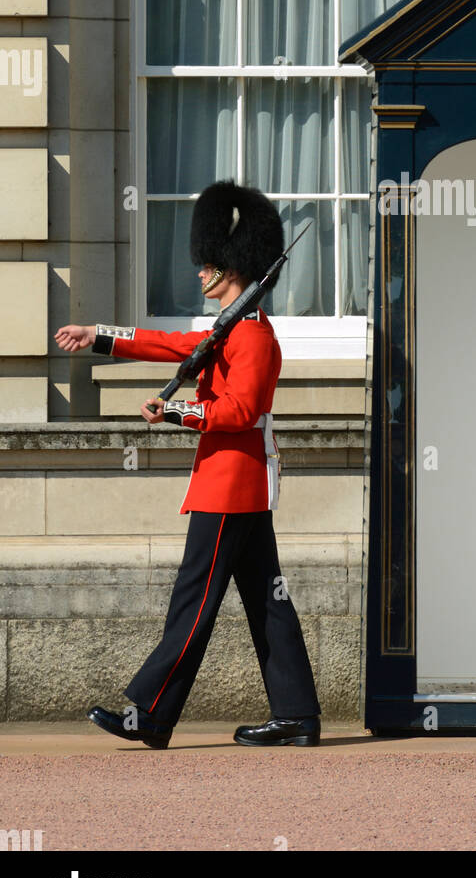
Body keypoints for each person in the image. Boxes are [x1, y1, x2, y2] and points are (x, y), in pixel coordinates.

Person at [54, 180, 322, 749]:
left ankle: (151, 712)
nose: (200, 275)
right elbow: (169, 345)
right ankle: (296, 714)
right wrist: (99, 334)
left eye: (207, 266)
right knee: (266, 598)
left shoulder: (251, 336)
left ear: (231, 266)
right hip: (236, 483)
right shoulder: (230, 330)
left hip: (232, 484)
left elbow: (241, 411)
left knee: (194, 598)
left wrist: (176, 412)